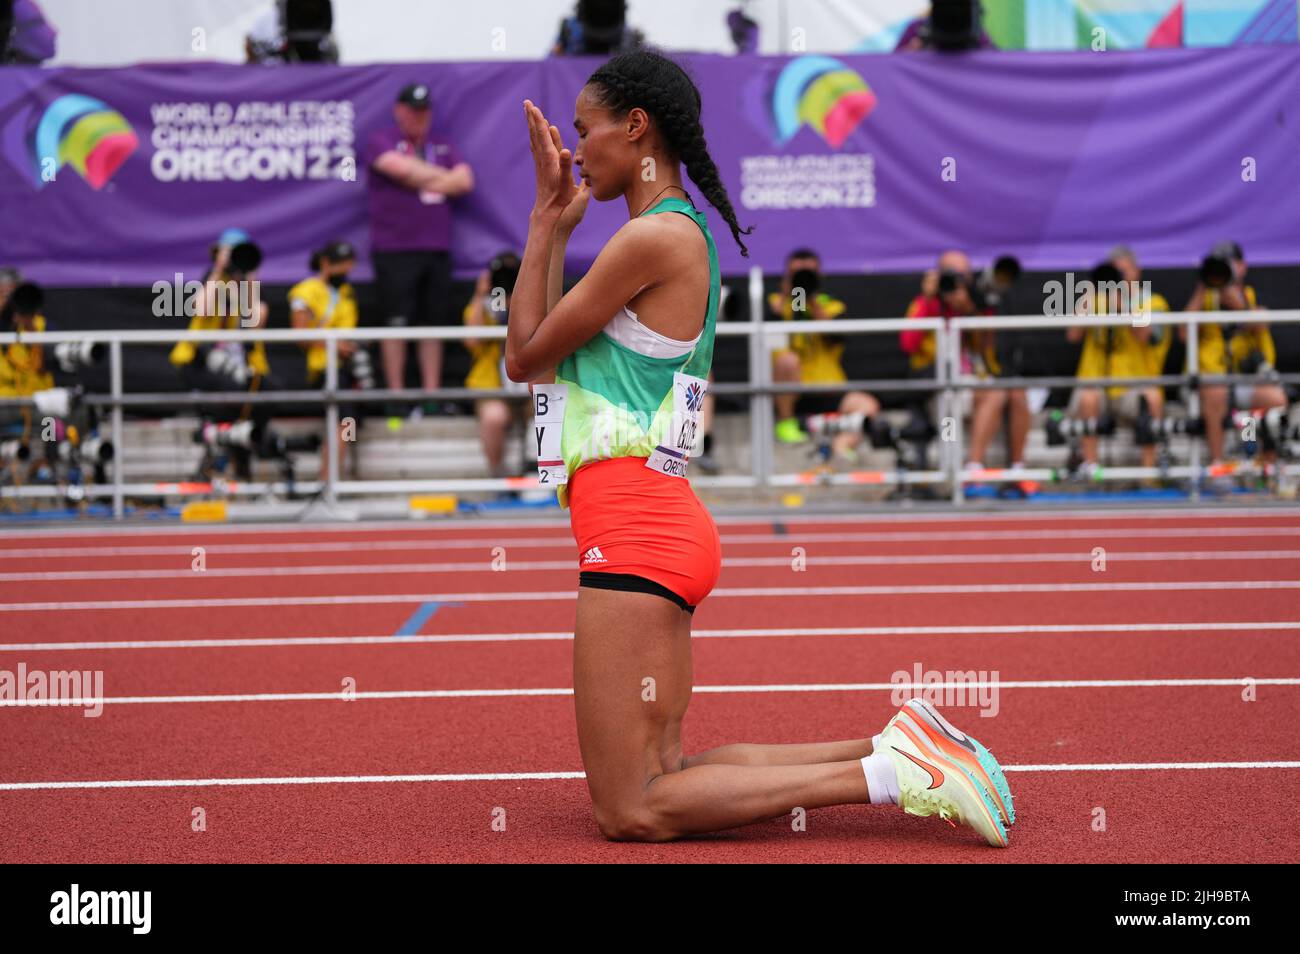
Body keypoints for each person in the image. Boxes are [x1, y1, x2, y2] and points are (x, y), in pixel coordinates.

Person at [504, 50, 1014, 844]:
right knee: (666, 773)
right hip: (657, 521)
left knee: (630, 807)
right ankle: (891, 745)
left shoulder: (652, 238)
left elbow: (523, 355)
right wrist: (557, 225)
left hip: (635, 527)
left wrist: (544, 219)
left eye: (584, 131)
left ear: (635, 127)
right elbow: (539, 355)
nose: (573, 152)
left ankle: (891, 776)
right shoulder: (674, 233)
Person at [364, 83, 475, 413]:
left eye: (424, 110)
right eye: (413, 110)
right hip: (395, 249)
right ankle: (396, 398)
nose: (419, 116)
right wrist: (439, 179)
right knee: (396, 322)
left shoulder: (441, 145)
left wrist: (419, 176)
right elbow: (397, 168)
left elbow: (465, 182)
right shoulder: (381, 140)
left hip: (436, 248)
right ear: (399, 111)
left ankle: (432, 397)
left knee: (433, 323)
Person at [902, 250, 1030, 478]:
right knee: (950, 404)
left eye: (963, 273)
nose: (957, 279)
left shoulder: (976, 302)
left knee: (1009, 392)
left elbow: (987, 345)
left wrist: (968, 310)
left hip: (973, 379)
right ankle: (950, 469)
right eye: (951, 273)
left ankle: (980, 467)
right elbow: (908, 344)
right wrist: (929, 300)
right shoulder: (924, 302)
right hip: (939, 383)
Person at [767, 248, 879, 466]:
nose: (802, 281)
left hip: (829, 388)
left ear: (820, 277)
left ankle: (841, 445)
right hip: (793, 392)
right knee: (787, 360)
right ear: (786, 277)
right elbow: (770, 344)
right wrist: (786, 300)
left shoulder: (831, 306)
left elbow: (836, 338)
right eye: (797, 275)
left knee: (868, 406)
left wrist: (813, 302)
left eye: (808, 276)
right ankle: (786, 422)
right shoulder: (776, 304)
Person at [1182, 240, 1285, 474]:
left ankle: (1265, 469)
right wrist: (1204, 286)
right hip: (1210, 383)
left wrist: (1237, 304)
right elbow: (1182, 334)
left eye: (1228, 265)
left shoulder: (1248, 295)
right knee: (1216, 390)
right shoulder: (1204, 298)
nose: (1223, 271)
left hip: (1243, 381)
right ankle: (1219, 467)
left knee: (1273, 398)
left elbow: (1260, 324)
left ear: (1242, 267)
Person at [1065, 249, 1170, 476]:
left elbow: (1146, 336)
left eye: (1124, 272)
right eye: (1115, 272)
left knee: (1151, 398)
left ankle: (1148, 474)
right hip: (1096, 384)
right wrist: (1091, 295)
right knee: (1087, 397)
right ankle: (1091, 469)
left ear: (1137, 273)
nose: (1120, 277)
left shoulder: (1152, 300)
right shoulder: (1095, 300)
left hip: (1132, 386)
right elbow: (1073, 335)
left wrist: (1124, 304)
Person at [288, 240, 367, 479]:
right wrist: (333, 345)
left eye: (349, 267)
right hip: (323, 369)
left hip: (347, 371)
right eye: (341, 266)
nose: (345, 273)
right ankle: (328, 481)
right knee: (343, 423)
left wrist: (348, 347)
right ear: (325, 263)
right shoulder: (307, 291)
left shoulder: (346, 293)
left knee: (349, 422)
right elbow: (300, 336)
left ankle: (340, 477)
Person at [462, 250, 531, 486]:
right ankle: (497, 477)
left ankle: (540, 476)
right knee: (493, 417)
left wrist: (524, 291)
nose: (505, 283)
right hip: (492, 385)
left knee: (551, 409)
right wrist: (481, 294)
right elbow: (472, 340)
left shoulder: (533, 299)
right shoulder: (487, 305)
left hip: (529, 383)